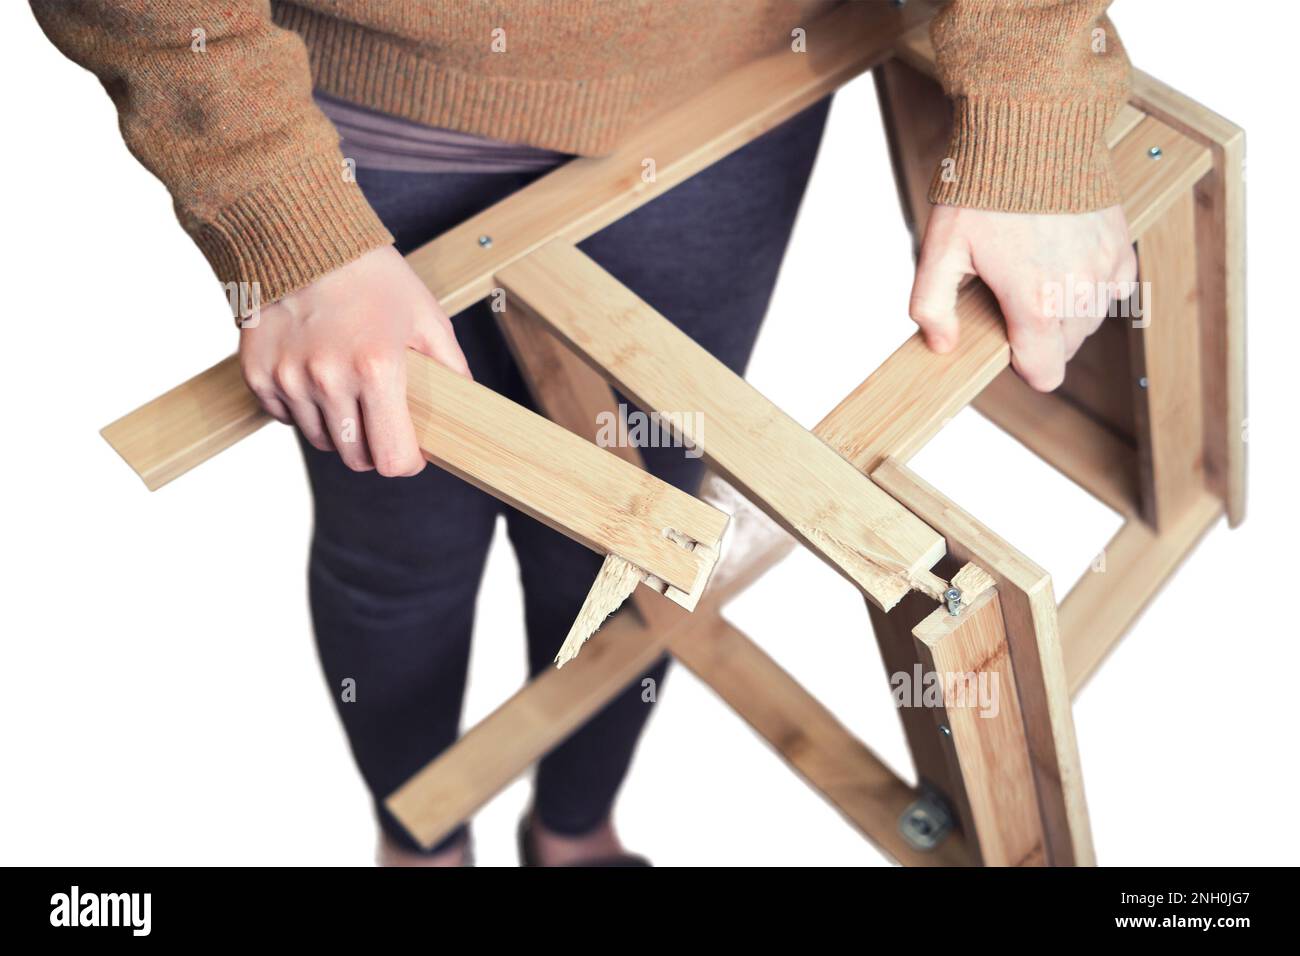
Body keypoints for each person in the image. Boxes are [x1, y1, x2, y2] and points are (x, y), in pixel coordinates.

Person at [33, 0, 1137, 866]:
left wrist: (1037, 100)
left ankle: (574, 827)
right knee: (400, 556)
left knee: (631, 542)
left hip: (730, 87)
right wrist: (275, 200)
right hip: (361, 110)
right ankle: (422, 838)